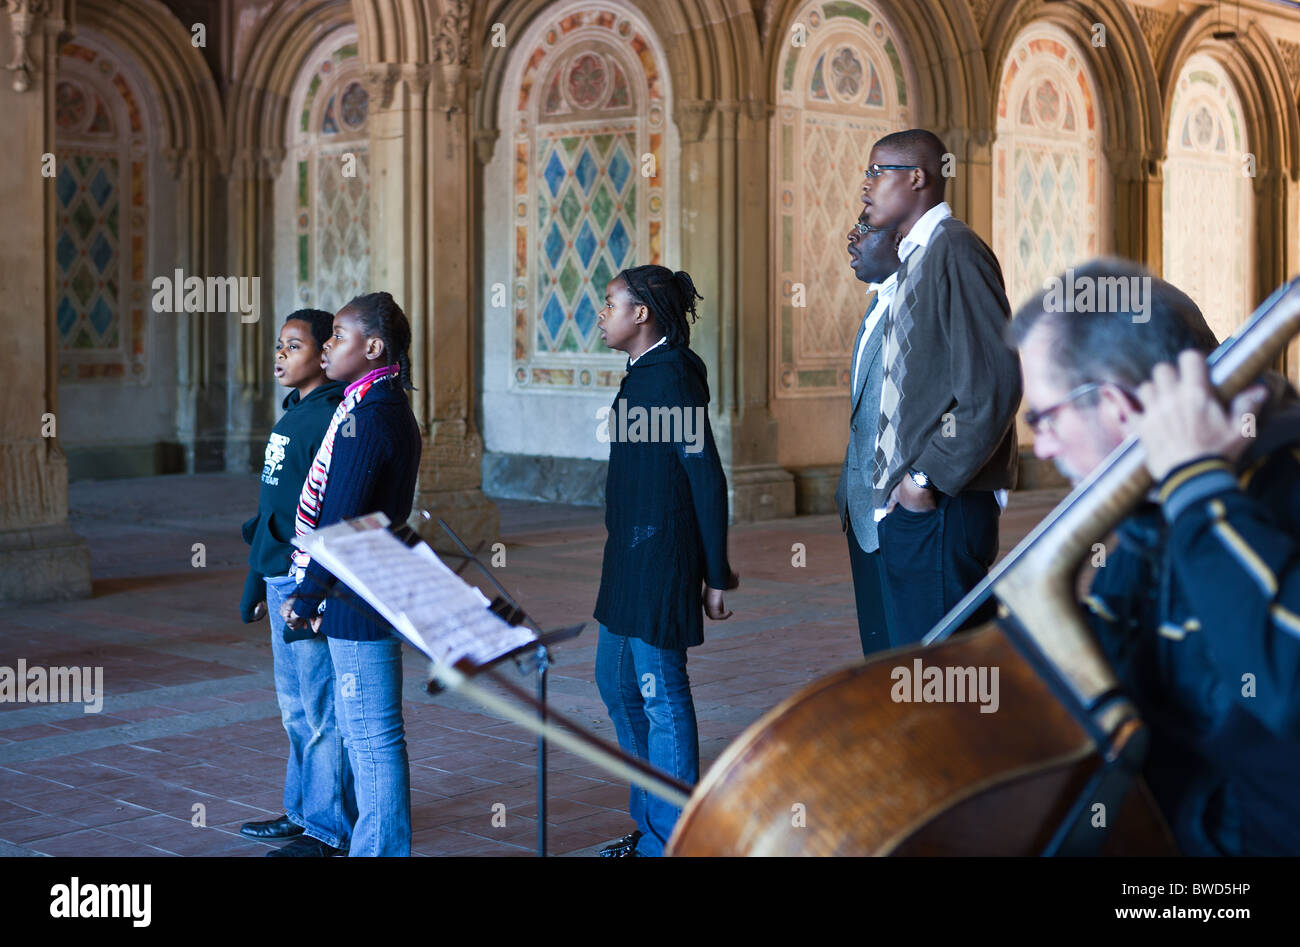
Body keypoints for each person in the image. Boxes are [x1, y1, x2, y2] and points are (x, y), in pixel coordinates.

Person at [1009, 257, 1300, 856]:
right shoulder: (1154, 511)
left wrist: (1199, 486)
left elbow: (1284, 687)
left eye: (1043, 415)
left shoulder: (1260, 491)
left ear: (1114, 404)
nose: (1041, 443)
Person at [591, 265, 738, 857]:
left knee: (660, 692)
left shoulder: (672, 375)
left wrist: (716, 572)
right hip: (627, 559)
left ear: (642, 314)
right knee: (616, 683)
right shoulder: (643, 374)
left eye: (610, 304)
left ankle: (673, 840)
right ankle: (654, 826)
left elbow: (705, 474)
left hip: (660, 559)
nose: (602, 315)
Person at [860, 128, 1021, 645]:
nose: (865, 186)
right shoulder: (916, 257)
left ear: (917, 177)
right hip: (917, 510)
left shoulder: (955, 249)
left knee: (943, 680)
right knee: (923, 669)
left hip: (944, 504)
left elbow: (995, 382)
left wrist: (925, 479)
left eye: (875, 172)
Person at [281, 292, 422, 857]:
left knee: (371, 737)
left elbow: (340, 521)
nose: (330, 346)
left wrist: (307, 594)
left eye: (338, 336)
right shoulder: (369, 406)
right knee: (368, 734)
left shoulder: (373, 416)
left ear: (374, 347)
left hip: (358, 593)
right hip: (359, 586)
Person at [238, 309, 356, 856]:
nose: (281, 355)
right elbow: (270, 510)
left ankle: (328, 830)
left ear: (325, 352)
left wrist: (303, 586)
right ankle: (302, 810)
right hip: (278, 575)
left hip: (303, 578)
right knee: (295, 708)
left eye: (294, 346)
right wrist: (255, 581)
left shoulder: (333, 417)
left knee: (319, 708)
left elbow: (325, 513)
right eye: (279, 346)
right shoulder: (295, 412)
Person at [835, 207, 900, 656]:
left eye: (864, 229)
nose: (851, 239)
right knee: (879, 651)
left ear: (898, 240)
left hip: (899, 509)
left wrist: (917, 483)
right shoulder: (878, 302)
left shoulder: (915, 303)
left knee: (909, 652)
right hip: (861, 508)